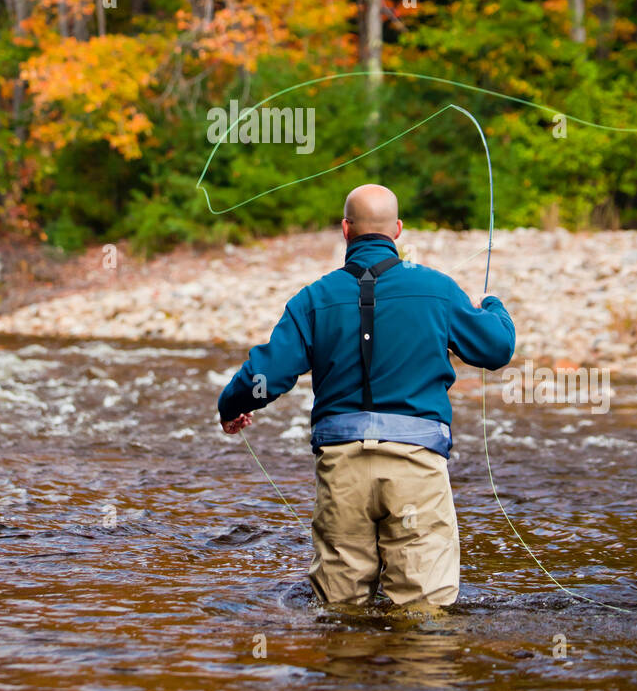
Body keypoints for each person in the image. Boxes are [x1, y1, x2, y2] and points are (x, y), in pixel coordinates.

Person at [217, 183, 515, 608]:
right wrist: (493, 306)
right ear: (397, 230)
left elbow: (266, 375)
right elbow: (496, 349)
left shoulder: (312, 299)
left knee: (340, 613)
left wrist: (233, 406)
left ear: (345, 230)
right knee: (424, 616)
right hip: (416, 469)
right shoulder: (438, 289)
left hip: (342, 473)